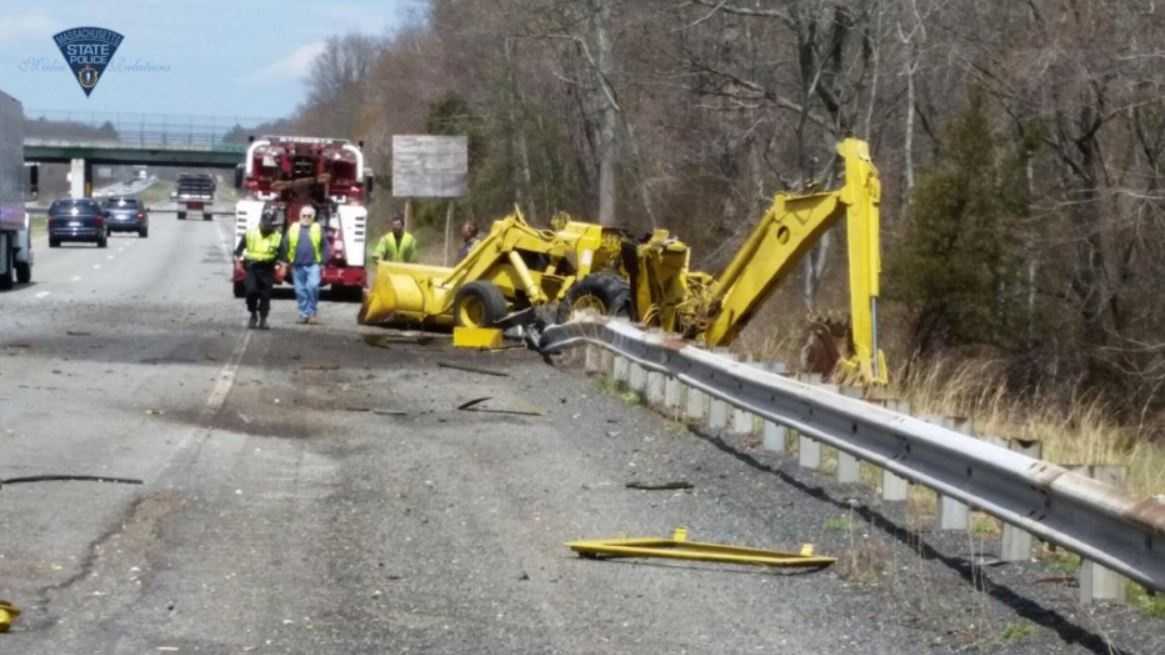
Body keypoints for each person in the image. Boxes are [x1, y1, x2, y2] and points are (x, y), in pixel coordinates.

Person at [234, 213, 285, 330]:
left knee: (265, 295)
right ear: (260, 223)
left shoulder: (277, 237)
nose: (268, 227)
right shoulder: (250, 234)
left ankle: (263, 319)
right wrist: (238, 263)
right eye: (265, 224)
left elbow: (283, 255)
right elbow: (238, 251)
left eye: (270, 225)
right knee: (251, 291)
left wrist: (282, 268)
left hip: (267, 269)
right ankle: (253, 314)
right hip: (252, 268)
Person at [286, 204, 329, 324]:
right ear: (300, 216)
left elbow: (325, 246)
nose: (306, 217)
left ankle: (312, 313)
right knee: (300, 291)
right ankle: (304, 314)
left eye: (309, 215)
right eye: (304, 215)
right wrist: (284, 261)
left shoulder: (317, 228)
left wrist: (323, 261)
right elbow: (286, 244)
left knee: (313, 287)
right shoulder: (293, 228)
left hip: (313, 264)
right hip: (297, 264)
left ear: (313, 217)